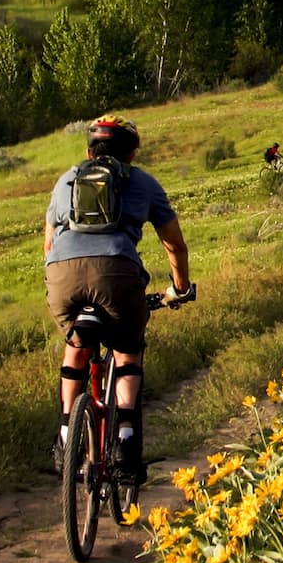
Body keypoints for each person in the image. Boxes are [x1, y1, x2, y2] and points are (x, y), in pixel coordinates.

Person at [43, 114, 193, 484]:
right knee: (127, 348)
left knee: (76, 344)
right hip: (117, 274)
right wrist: (181, 287)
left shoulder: (65, 181)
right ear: (131, 154)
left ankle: (65, 436)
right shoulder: (143, 183)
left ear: (88, 151)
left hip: (62, 276)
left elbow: (48, 246)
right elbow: (173, 243)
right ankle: (125, 441)